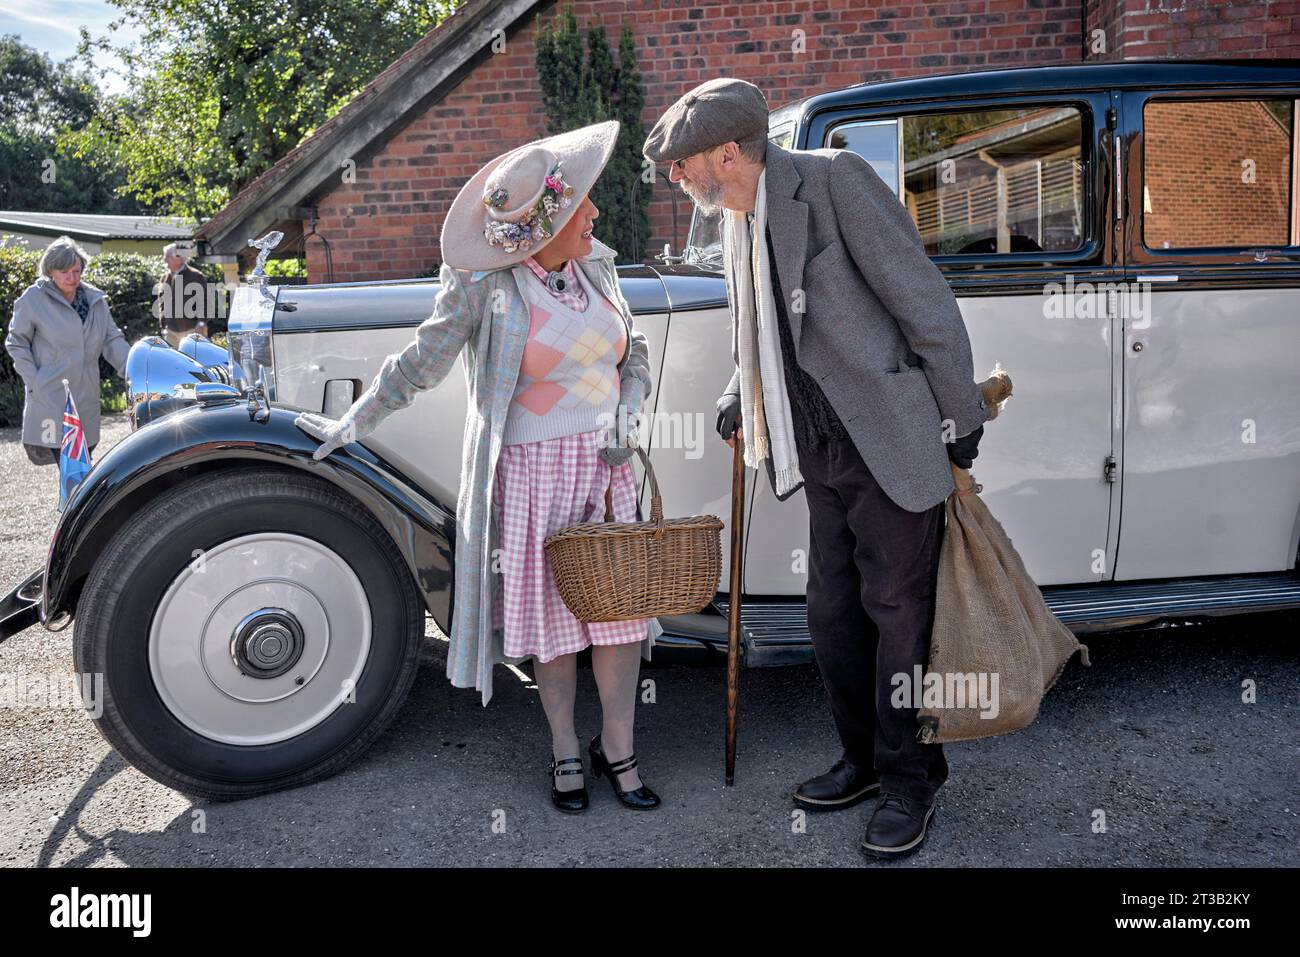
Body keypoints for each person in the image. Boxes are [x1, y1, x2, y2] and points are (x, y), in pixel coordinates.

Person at [644, 79, 988, 858]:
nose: (676, 177)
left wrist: (958, 418)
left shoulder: (833, 181)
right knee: (834, 617)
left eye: (682, 163)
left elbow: (923, 301)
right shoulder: (735, 220)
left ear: (728, 153)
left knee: (900, 617)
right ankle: (864, 761)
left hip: (890, 438)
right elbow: (760, 326)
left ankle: (910, 781)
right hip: (817, 447)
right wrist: (739, 393)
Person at [294, 121, 664, 813]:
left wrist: (629, 412)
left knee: (619, 617)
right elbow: (421, 361)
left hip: (607, 469)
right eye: (582, 202)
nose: (596, 212)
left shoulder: (598, 264)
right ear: (544, 225)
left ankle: (617, 744)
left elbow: (632, 354)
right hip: (530, 473)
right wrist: (352, 422)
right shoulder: (484, 285)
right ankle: (562, 745)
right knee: (553, 623)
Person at [5, 235, 129, 467]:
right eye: (65, 272)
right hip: (51, 395)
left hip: (86, 396)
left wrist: (134, 370)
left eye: (77, 271)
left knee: (81, 462)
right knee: (72, 465)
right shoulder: (34, 299)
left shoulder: (96, 301)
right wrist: (34, 381)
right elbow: (16, 342)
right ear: (51, 270)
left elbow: (112, 340)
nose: (72, 278)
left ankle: (74, 504)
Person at [157, 242, 210, 348]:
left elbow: (204, 302)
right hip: (170, 332)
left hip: (192, 330)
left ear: (179, 258)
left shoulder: (196, 276)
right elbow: (161, 302)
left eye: (167, 257)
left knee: (193, 362)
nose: (164, 260)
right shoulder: (164, 278)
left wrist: (201, 322)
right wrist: (163, 324)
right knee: (174, 362)